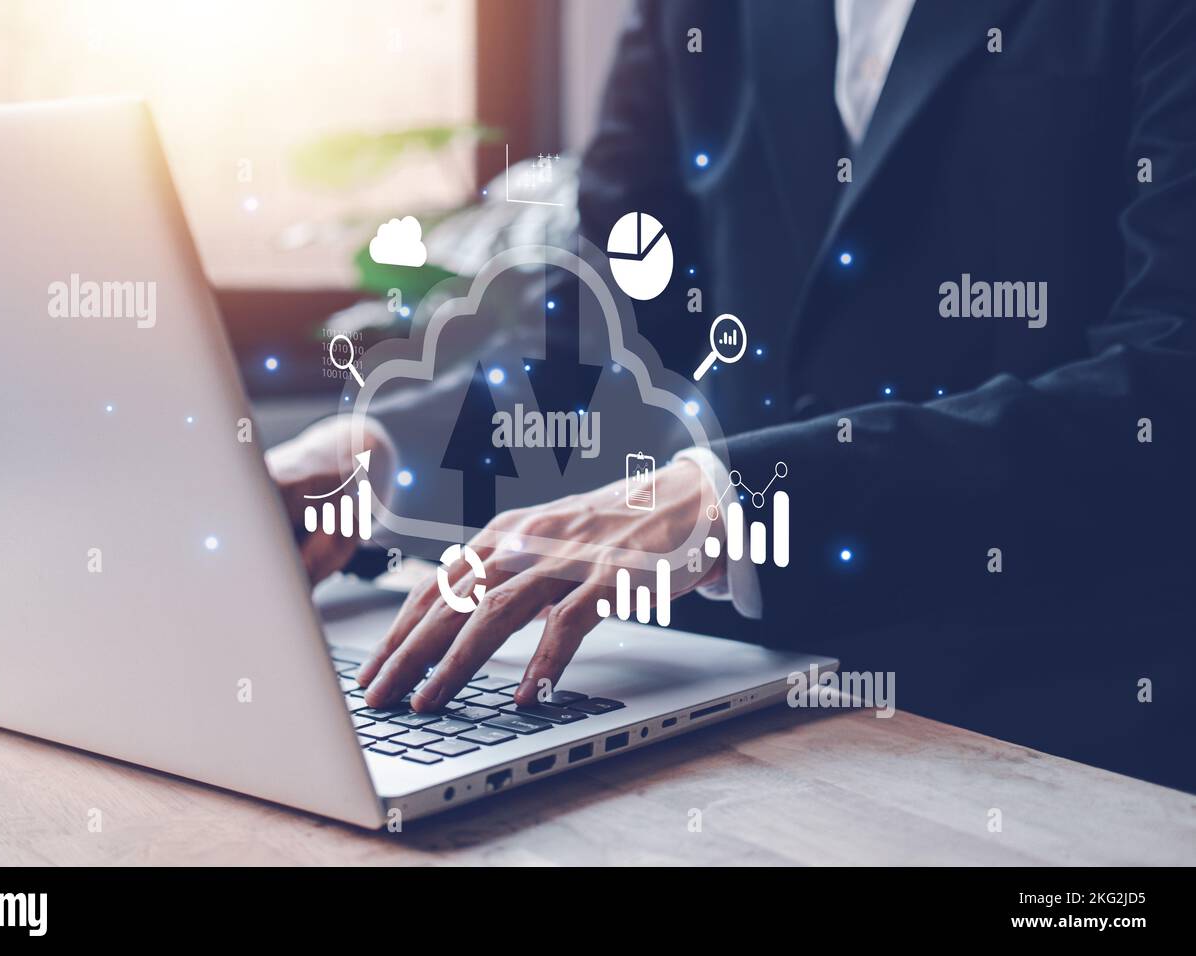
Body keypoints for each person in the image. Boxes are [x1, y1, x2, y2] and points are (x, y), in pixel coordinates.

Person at [268, 0, 1196, 790]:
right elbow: (611, 330)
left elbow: (1168, 378)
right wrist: (389, 448)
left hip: (1059, 726)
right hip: (730, 703)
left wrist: (737, 497)